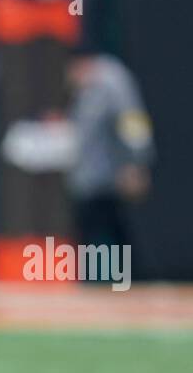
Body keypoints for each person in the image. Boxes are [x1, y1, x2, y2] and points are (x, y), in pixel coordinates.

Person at [64, 48, 154, 251]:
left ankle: (133, 277)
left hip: (111, 179)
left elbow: (132, 121)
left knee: (117, 231)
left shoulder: (112, 80)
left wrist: (136, 162)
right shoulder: (86, 91)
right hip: (90, 180)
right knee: (96, 232)